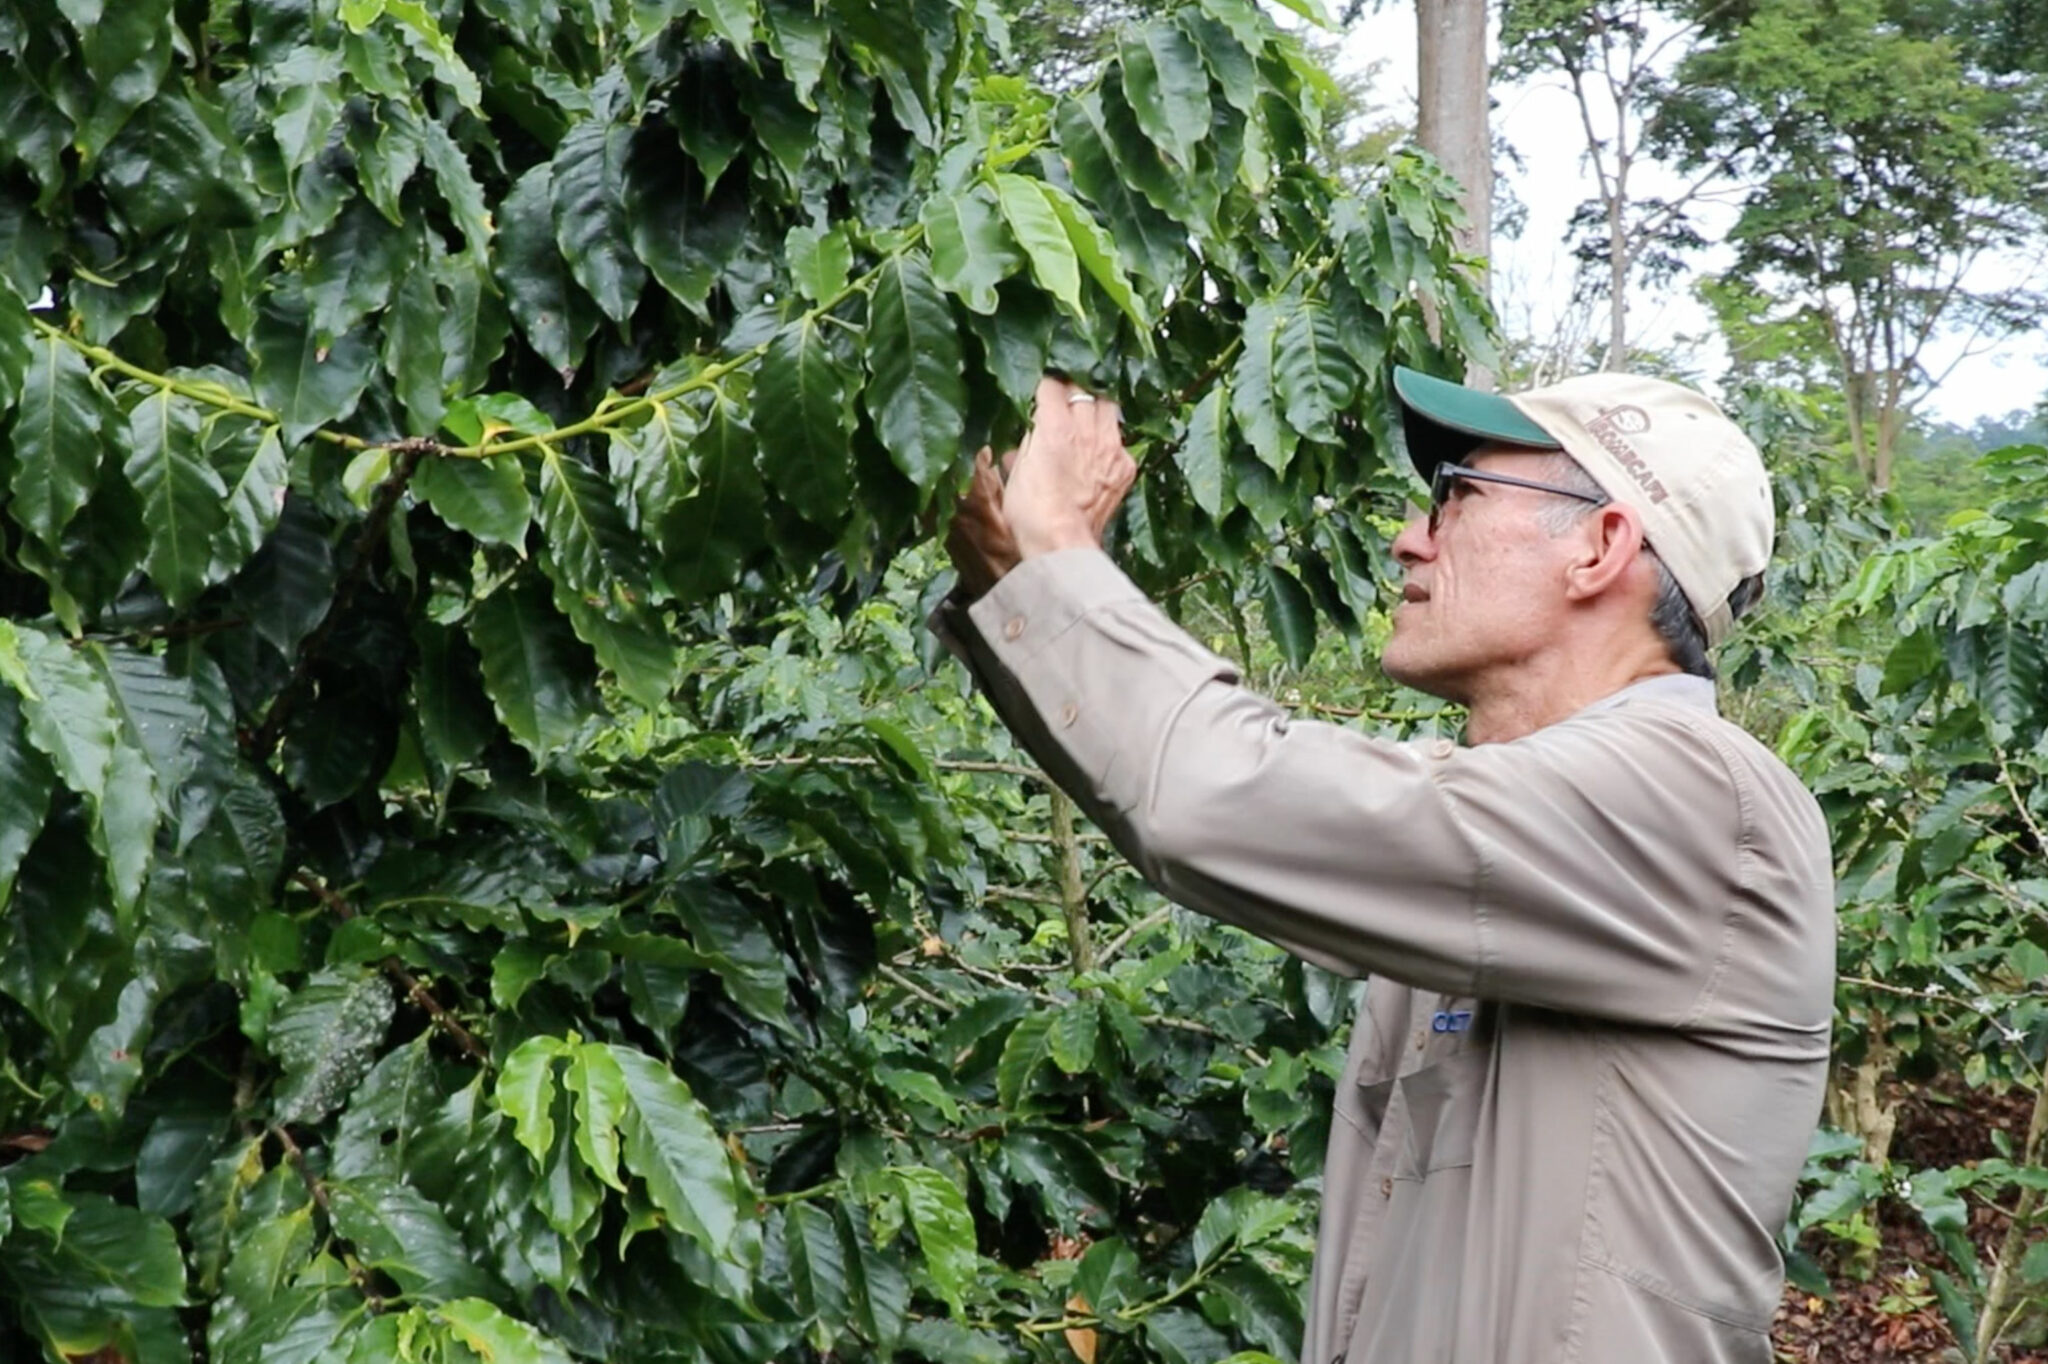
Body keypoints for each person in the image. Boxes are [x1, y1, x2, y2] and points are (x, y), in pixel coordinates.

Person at [933, 366, 1835, 1364]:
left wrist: (1053, 551)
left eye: (1457, 494)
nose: (1409, 535)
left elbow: (1217, 795)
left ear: (1599, 544)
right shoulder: (1512, 828)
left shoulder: (1692, 800)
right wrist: (1010, 575)